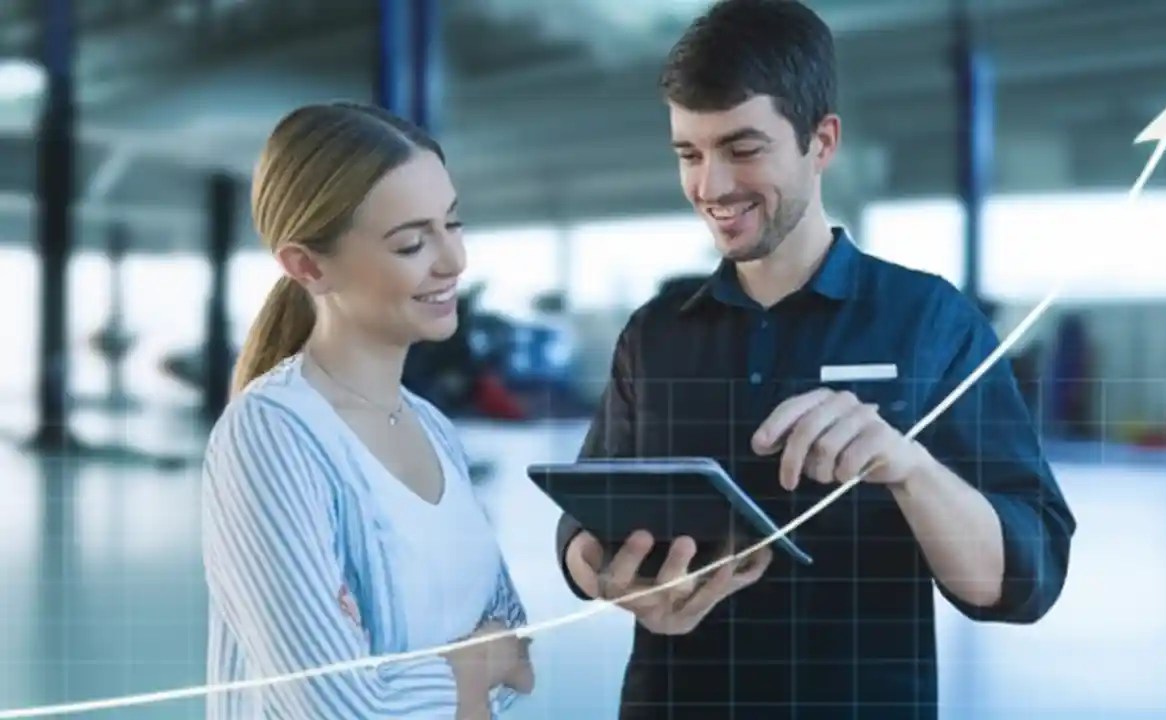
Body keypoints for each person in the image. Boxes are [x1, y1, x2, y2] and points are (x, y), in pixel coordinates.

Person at [554, 1, 1076, 717]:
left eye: (743, 149)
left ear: (821, 141)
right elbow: (586, 521)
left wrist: (910, 468)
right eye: (689, 154)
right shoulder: (655, 335)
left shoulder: (927, 322)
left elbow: (1026, 575)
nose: (711, 187)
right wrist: (606, 577)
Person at [202, 102, 533, 720]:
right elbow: (343, 709)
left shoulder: (433, 428)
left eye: (453, 224)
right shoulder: (270, 436)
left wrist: (456, 668)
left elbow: (518, 661)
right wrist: (474, 665)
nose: (453, 261)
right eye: (412, 243)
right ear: (308, 266)